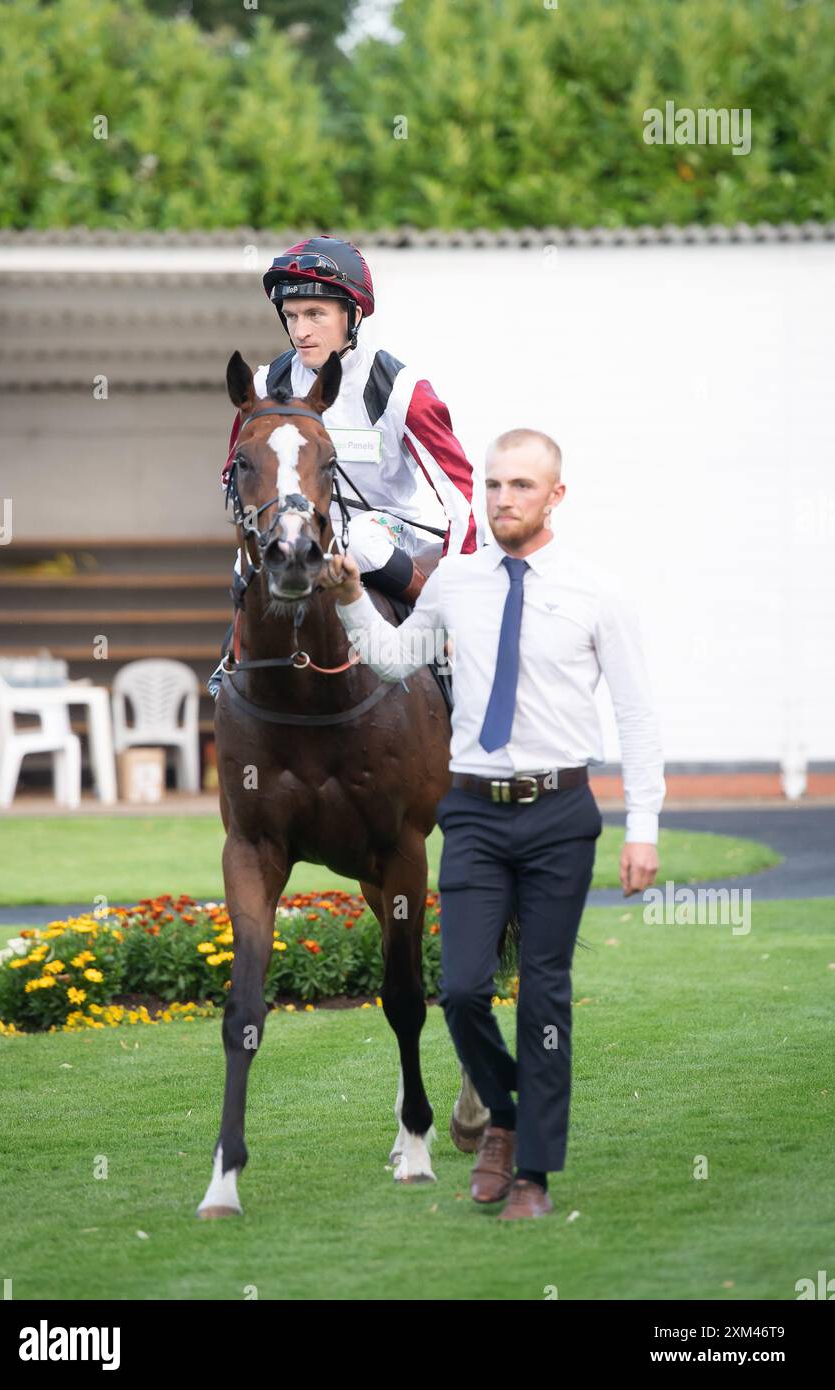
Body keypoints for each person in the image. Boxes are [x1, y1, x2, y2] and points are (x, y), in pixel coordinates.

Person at [324, 427, 665, 1220]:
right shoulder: (456, 583)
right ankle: (506, 1115)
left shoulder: (597, 592)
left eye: (521, 486)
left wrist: (641, 824)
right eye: (493, 485)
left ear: (555, 495)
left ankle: (534, 1177)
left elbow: (637, 714)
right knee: (465, 988)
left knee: (545, 997)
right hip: (473, 811)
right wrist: (347, 598)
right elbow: (395, 658)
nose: (503, 499)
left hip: (560, 815)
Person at [207, 235, 483, 697]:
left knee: (364, 541)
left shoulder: (401, 389)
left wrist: (455, 602)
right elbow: (230, 476)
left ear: (352, 315)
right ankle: (231, 660)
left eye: (315, 315)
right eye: (292, 317)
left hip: (388, 528)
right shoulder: (264, 383)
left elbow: (461, 497)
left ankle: (435, 645)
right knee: (245, 559)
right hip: (295, 524)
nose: (301, 332)